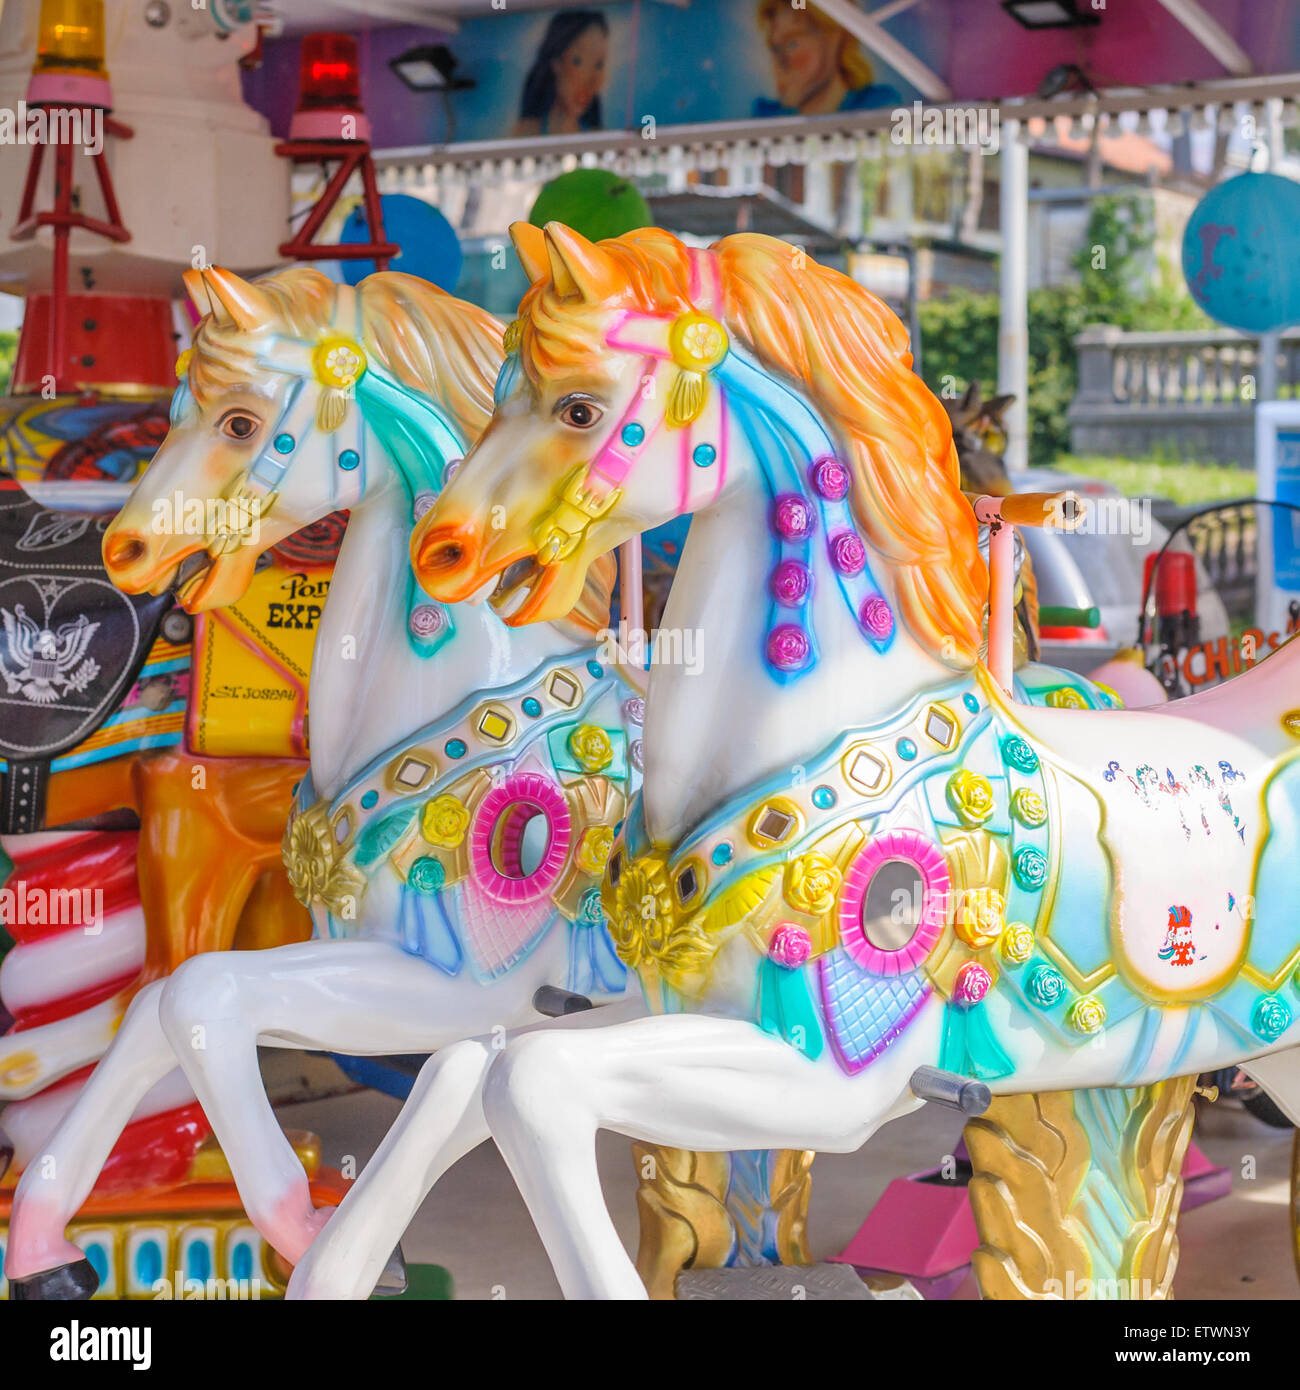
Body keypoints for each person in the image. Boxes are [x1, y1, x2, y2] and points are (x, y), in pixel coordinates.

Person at [752, 1, 900, 117]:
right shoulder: (764, 117)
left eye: (792, 44)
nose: (779, 64)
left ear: (833, 39)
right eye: (775, 49)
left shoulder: (880, 107)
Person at [513, 10, 609, 137]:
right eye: (577, 61)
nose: (591, 80)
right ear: (556, 63)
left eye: (599, 65)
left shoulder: (598, 137)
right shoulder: (525, 134)